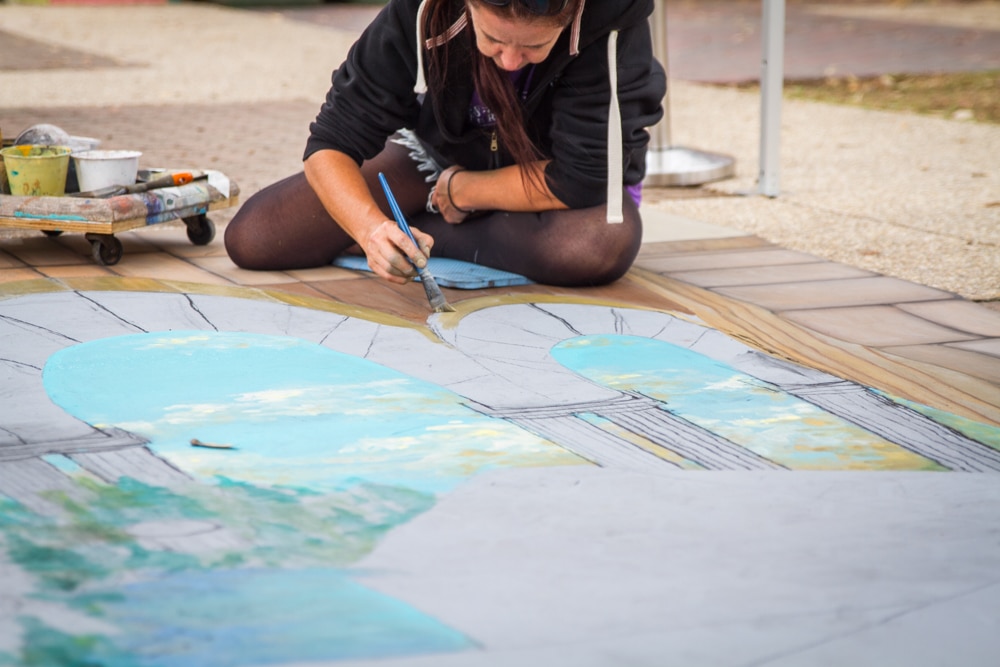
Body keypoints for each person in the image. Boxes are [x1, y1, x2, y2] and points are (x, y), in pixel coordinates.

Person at [225, 0, 665, 287]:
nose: (510, 60)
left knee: (597, 245)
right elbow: (330, 142)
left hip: (554, 189)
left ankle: (429, 229)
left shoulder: (608, 20)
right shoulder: (422, 9)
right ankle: (416, 232)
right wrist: (371, 230)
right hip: (436, 157)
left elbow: (582, 177)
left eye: (535, 46)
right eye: (493, 39)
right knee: (257, 237)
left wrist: (462, 191)